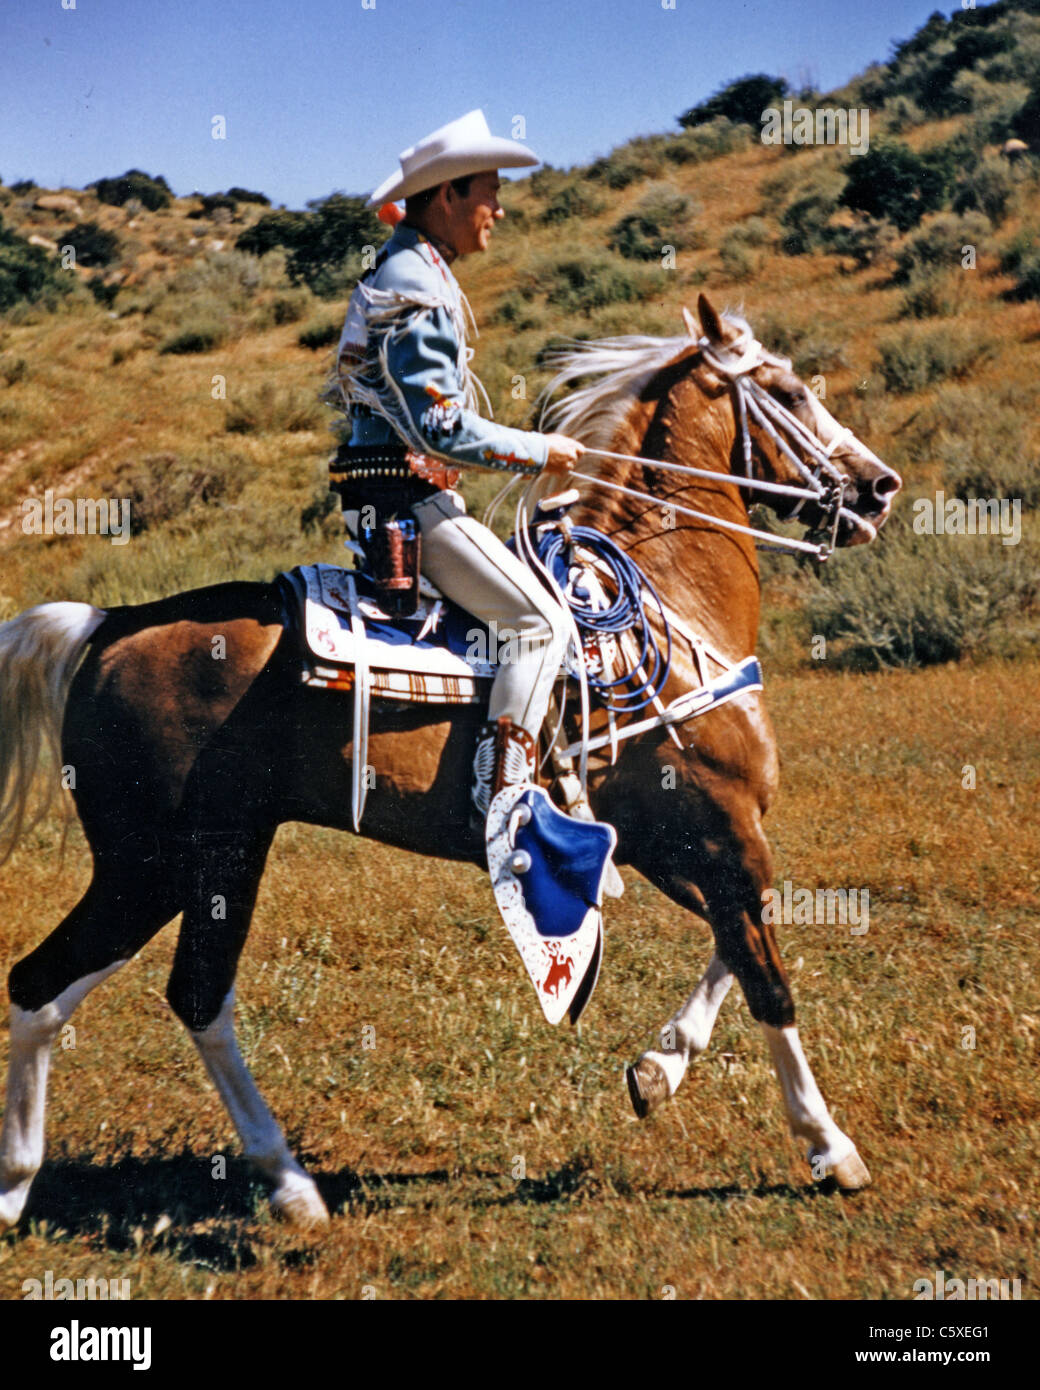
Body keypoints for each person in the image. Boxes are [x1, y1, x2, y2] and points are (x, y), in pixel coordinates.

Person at [331, 109, 585, 824]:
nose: (498, 210)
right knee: (541, 624)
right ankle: (502, 791)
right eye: (489, 193)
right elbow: (439, 425)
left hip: (387, 497)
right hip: (413, 506)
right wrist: (542, 450)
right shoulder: (416, 278)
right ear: (447, 195)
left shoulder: (407, 266)